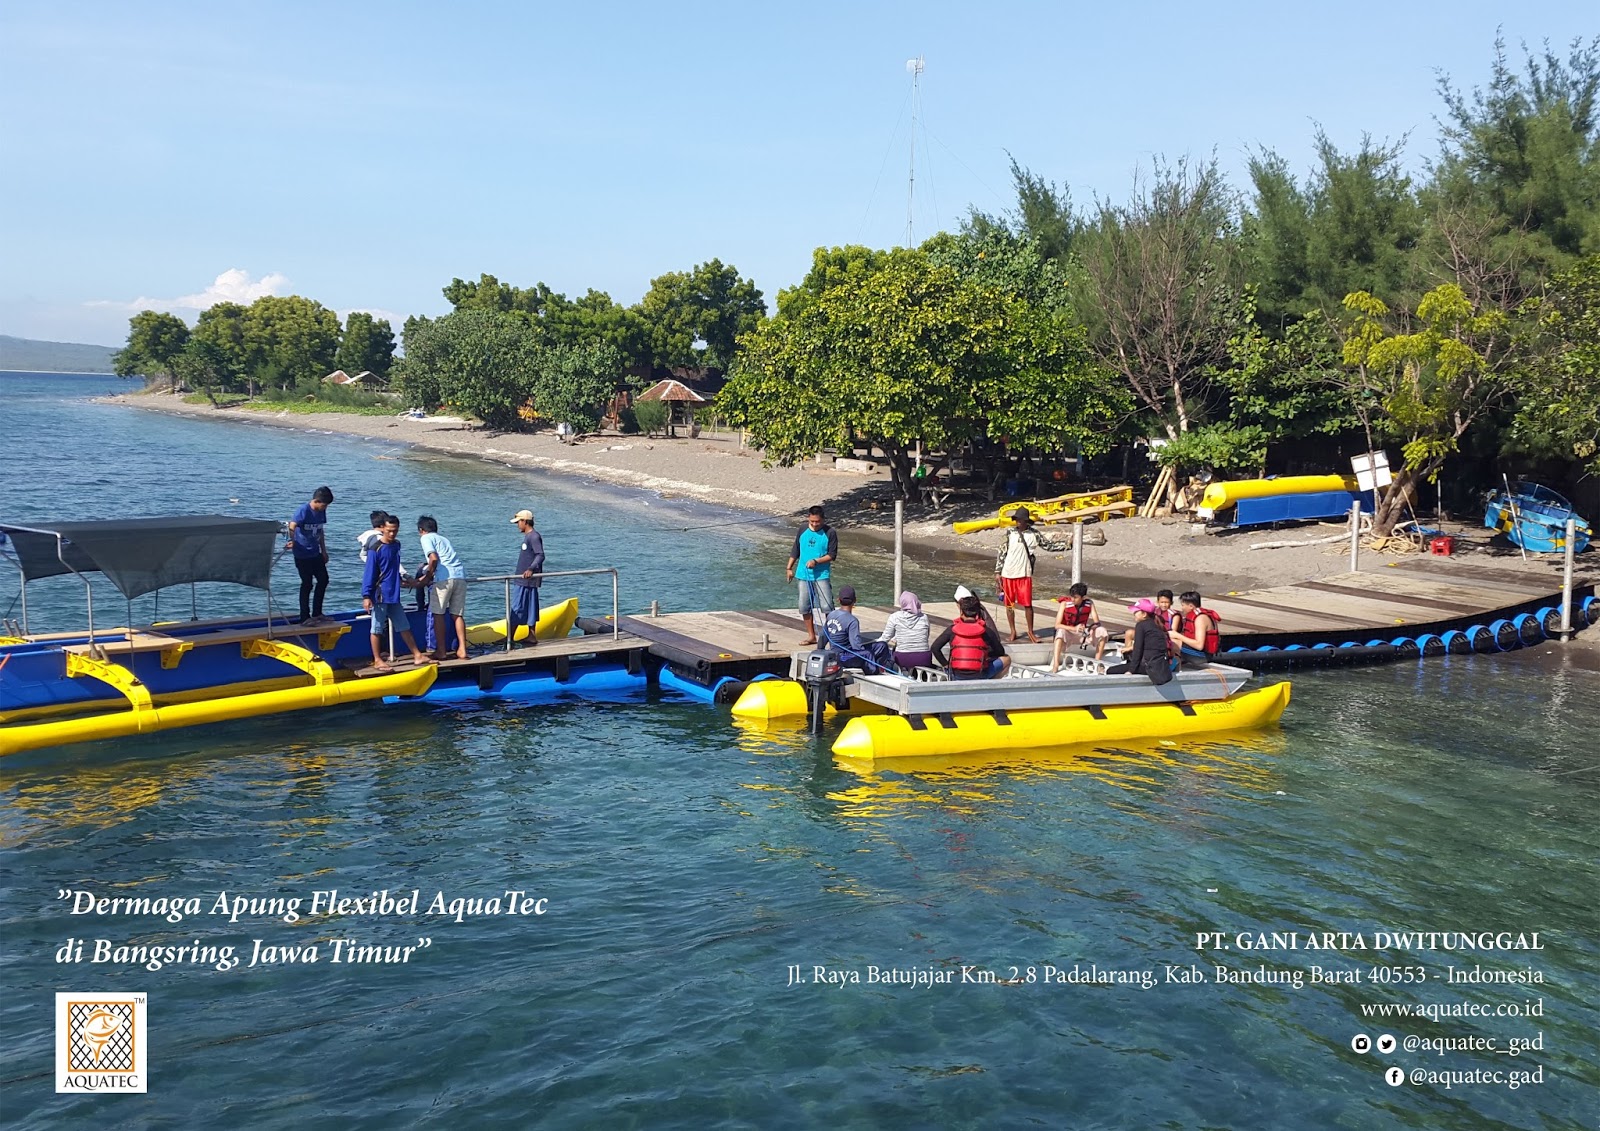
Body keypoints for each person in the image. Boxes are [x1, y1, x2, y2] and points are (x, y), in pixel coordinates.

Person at [361, 515, 429, 671]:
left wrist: (405, 579)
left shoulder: (396, 545)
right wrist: (366, 596)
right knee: (376, 628)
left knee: (404, 625)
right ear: (383, 529)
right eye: (389, 531)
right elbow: (369, 574)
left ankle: (417, 655)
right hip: (380, 595)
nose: (392, 534)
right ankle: (377, 660)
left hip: (394, 594)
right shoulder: (375, 549)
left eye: (395, 531)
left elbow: (393, 568)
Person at [993, 508, 1066, 642]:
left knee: (1028, 605)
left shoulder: (1035, 534)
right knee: (1009, 605)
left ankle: (1031, 632)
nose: (1018, 523)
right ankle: (1013, 631)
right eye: (1016, 520)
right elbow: (1002, 552)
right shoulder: (1010, 532)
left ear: (1026, 521)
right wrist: (998, 572)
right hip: (1008, 573)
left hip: (1024, 574)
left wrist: (1067, 545)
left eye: (1020, 520)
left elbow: (1048, 546)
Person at [416, 516, 469, 661]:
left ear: (422, 530)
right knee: (457, 615)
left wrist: (427, 576)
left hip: (443, 579)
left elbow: (433, 558)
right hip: (459, 576)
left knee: (438, 614)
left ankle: (441, 651)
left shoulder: (426, 538)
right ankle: (462, 650)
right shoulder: (444, 539)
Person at [785, 505, 837, 645]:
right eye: (812, 521)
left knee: (827, 606)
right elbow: (796, 548)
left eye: (817, 521)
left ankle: (832, 637)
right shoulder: (802, 529)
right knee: (804, 606)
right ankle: (811, 636)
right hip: (803, 575)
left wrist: (816, 561)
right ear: (808, 518)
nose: (814, 524)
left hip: (821, 575)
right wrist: (789, 568)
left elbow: (832, 555)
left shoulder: (830, 532)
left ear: (823, 520)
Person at [932, 591, 1010, 680]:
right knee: (1006, 659)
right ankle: (988, 685)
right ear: (977, 614)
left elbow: (935, 648)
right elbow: (1000, 652)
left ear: (961, 612)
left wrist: (945, 665)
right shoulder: (986, 631)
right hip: (979, 674)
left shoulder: (952, 629)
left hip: (956, 674)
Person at [287, 486, 333, 624]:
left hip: (315, 552)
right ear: (317, 501)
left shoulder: (321, 512)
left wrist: (324, 551)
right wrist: (291, 540)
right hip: (302, 554)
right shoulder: (303, 510)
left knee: (323, 580)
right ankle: (305, 617)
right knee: (307, 584)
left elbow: (320, 531)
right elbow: (292, 525)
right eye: (324, 505)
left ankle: (317, 613)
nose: (325, 508)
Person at [821, 586, 894, 672]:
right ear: (855, 601)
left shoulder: (831, 615)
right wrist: (867, 653)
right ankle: (874, 672)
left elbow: (823, 637)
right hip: (843, 657)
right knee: (867, 654)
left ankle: (876, 667)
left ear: (839, 600)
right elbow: (856, 646)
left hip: (836, 654)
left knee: (882, 645)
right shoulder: (852, 621)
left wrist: (819, 651)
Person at [1107, 599, 1174, 685]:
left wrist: (1131, 671)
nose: (1134, 613)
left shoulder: (1141, 625)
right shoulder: (1157, 624)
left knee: (1110, 671)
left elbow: (1138, 649)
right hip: (1160, 665)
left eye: (1136, 611)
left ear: (1144, 614)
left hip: (1147, 666)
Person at [506, 508, 545, 649]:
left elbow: (540, 555)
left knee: (518, 607)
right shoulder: (529, 537)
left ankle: (510, 637)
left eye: (519, 522)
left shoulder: (533, 537)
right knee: (529, 606)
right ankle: (531, 635)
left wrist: (531, 568)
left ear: (525, 522)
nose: (518, 525)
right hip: (524, 579)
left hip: (526, 579)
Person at [1049, 582, 1109, 671]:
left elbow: (1097, 622)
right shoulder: (1065, 604)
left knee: (1102, 630)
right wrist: (1074, 628)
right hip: (1069, 632)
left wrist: (1090, 628)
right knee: (1060, 631)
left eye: (1075, 597)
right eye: (1072, 596)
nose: (1072, 599)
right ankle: (1056, 664)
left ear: (1083, 597)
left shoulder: (1090, 603)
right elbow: (1057, 625)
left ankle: (1097, 663)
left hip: (1083, 633)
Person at [878, 590, 932, 671]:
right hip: (924, 657)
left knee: (888, 652)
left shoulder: (895, 617)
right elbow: (926, 636)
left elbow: (885, 638)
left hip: (903, 658)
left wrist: (872, 645)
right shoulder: (924, 617)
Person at [1169, 590, 1223, 663]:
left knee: (1172, 643)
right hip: (1194, 651)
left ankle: (1170, 670)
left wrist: (1177, 635)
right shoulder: (1194, 616)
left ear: (1191, 606)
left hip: (1202, 656)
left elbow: (1199, 645)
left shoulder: (1200, 619)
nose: (1182, 608)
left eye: (1183, 605)